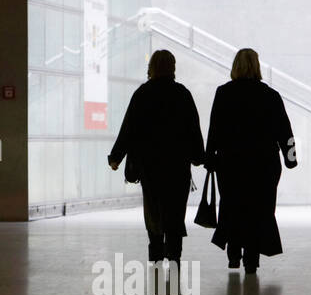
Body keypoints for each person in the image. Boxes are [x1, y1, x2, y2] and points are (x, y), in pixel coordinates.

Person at [204, 48, 297, 274]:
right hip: (264, 164)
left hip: (231, 163)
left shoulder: (224, 93)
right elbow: (284, 129)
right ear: (257, 67)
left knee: (233, 205)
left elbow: (214, 128)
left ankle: (234, 254)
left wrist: (209, 157)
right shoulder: (270, 95)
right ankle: (251, 260)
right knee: (258, 210)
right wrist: (290, 158)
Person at [109, 49, 205, 267]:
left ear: (151, 67)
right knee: (175, 209)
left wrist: (116, 157)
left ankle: (155, 254)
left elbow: (128, 129)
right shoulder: (182, 94)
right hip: (177, 164)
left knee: (153, 210)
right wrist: (198, 156)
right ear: (172, 67)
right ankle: (174, 255)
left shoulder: (142, 94)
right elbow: (193, 129)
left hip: (149, 165)